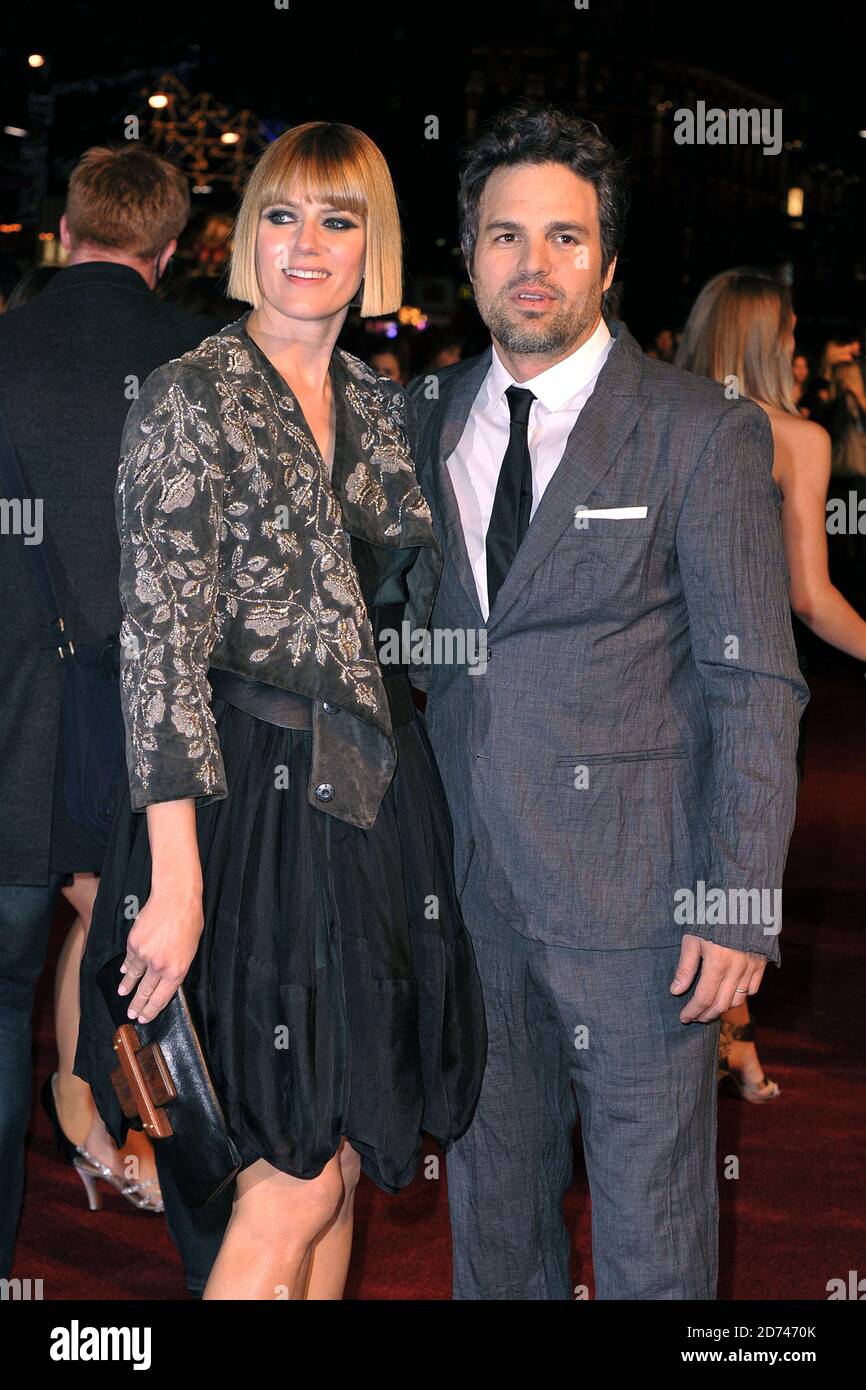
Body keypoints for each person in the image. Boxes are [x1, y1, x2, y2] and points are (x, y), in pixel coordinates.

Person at [74, 120, 487, 1302]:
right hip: (237, 811)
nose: (306, 243)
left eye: (337, 218)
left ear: (376, 243)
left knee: (345, 1158)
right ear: (247, 232)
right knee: (288, 1172)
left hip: (374, 806)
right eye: (282, 214)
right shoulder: (187, 394)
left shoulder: (378, 402)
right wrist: (177, 881)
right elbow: (157, 650)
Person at [405, 103, 808, 1300]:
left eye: (565, 239)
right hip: (469, 901)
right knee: (493, 1218)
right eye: (505, 237)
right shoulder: (418, 419)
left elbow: (754, 678)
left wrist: (736, 903)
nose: (534, 266)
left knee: (653, 1231)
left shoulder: (701, 433)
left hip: (642, 911)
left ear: (609, 262)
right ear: (468, 256)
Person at [0, 144, 220, 1287]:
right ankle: (209, 1252)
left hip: (11, 742)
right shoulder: (204, 362)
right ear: (170, 247)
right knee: (169, 998)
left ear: (65, 227)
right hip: (147, 761)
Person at [677, 268, 866, 1100]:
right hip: (744, 693)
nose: (797, 352)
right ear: (767, 339)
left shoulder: (660, 417)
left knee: (669, 881)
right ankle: (725, 1045)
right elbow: (811, 597)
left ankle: (730, 1045)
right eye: (789, 337)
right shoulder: (798, 438)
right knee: (736, 873)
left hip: (650, 692)